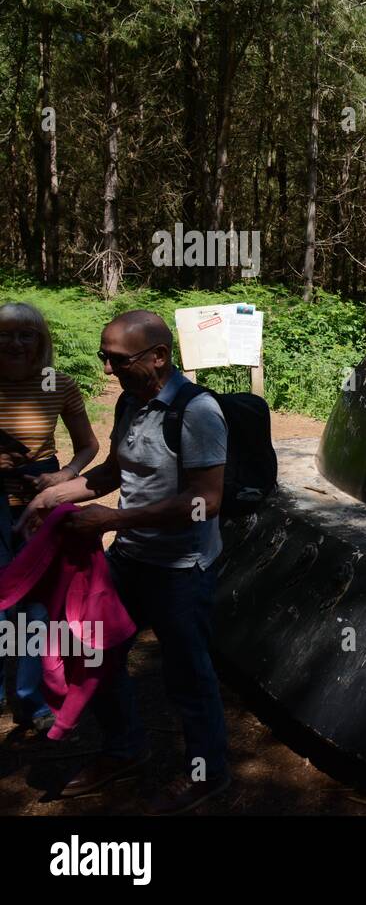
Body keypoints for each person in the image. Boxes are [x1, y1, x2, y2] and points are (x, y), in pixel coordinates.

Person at [20, 310, 230, 814]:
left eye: (117, 360)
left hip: (182, 570)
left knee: (189, 675)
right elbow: (113, 471)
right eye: (104, 358)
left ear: (158, 357)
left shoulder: (198, 412)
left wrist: (111, 522)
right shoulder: (129, 404)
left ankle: (208, 772)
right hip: (131, 560)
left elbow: (206, 501)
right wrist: (56, 495)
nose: (108, 371)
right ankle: (124, 749)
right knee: (96, 653)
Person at [0, 302, 99, 735]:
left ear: (41, 341)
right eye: (6, 334)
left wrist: (62, 476)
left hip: (41, 498)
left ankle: (31, 697)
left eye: (27, 334)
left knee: (39, 605)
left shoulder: (57, 383)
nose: (16, 343)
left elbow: (87, 446)